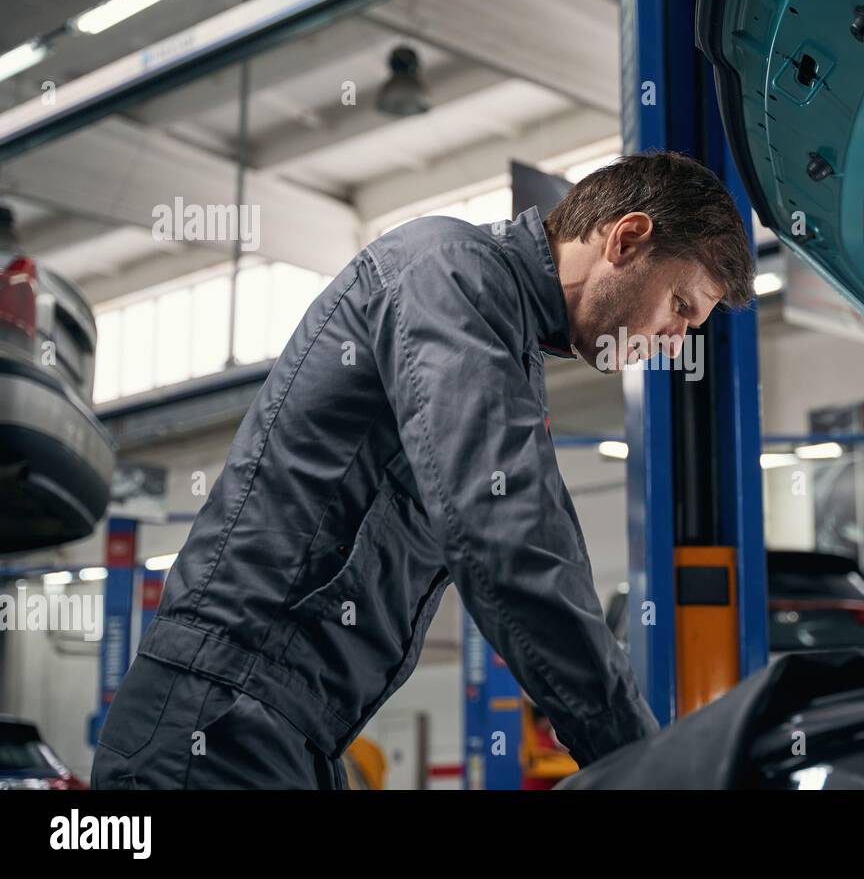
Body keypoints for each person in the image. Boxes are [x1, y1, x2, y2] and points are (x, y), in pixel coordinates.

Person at [91, 150, 756, 789]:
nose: (677, 342)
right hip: (216, 720)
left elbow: (543, 533)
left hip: (283, 729)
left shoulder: (503, 338)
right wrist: (644, 760)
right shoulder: (449, 274)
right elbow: (507, 537)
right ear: (628, 239)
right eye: (682, 307)